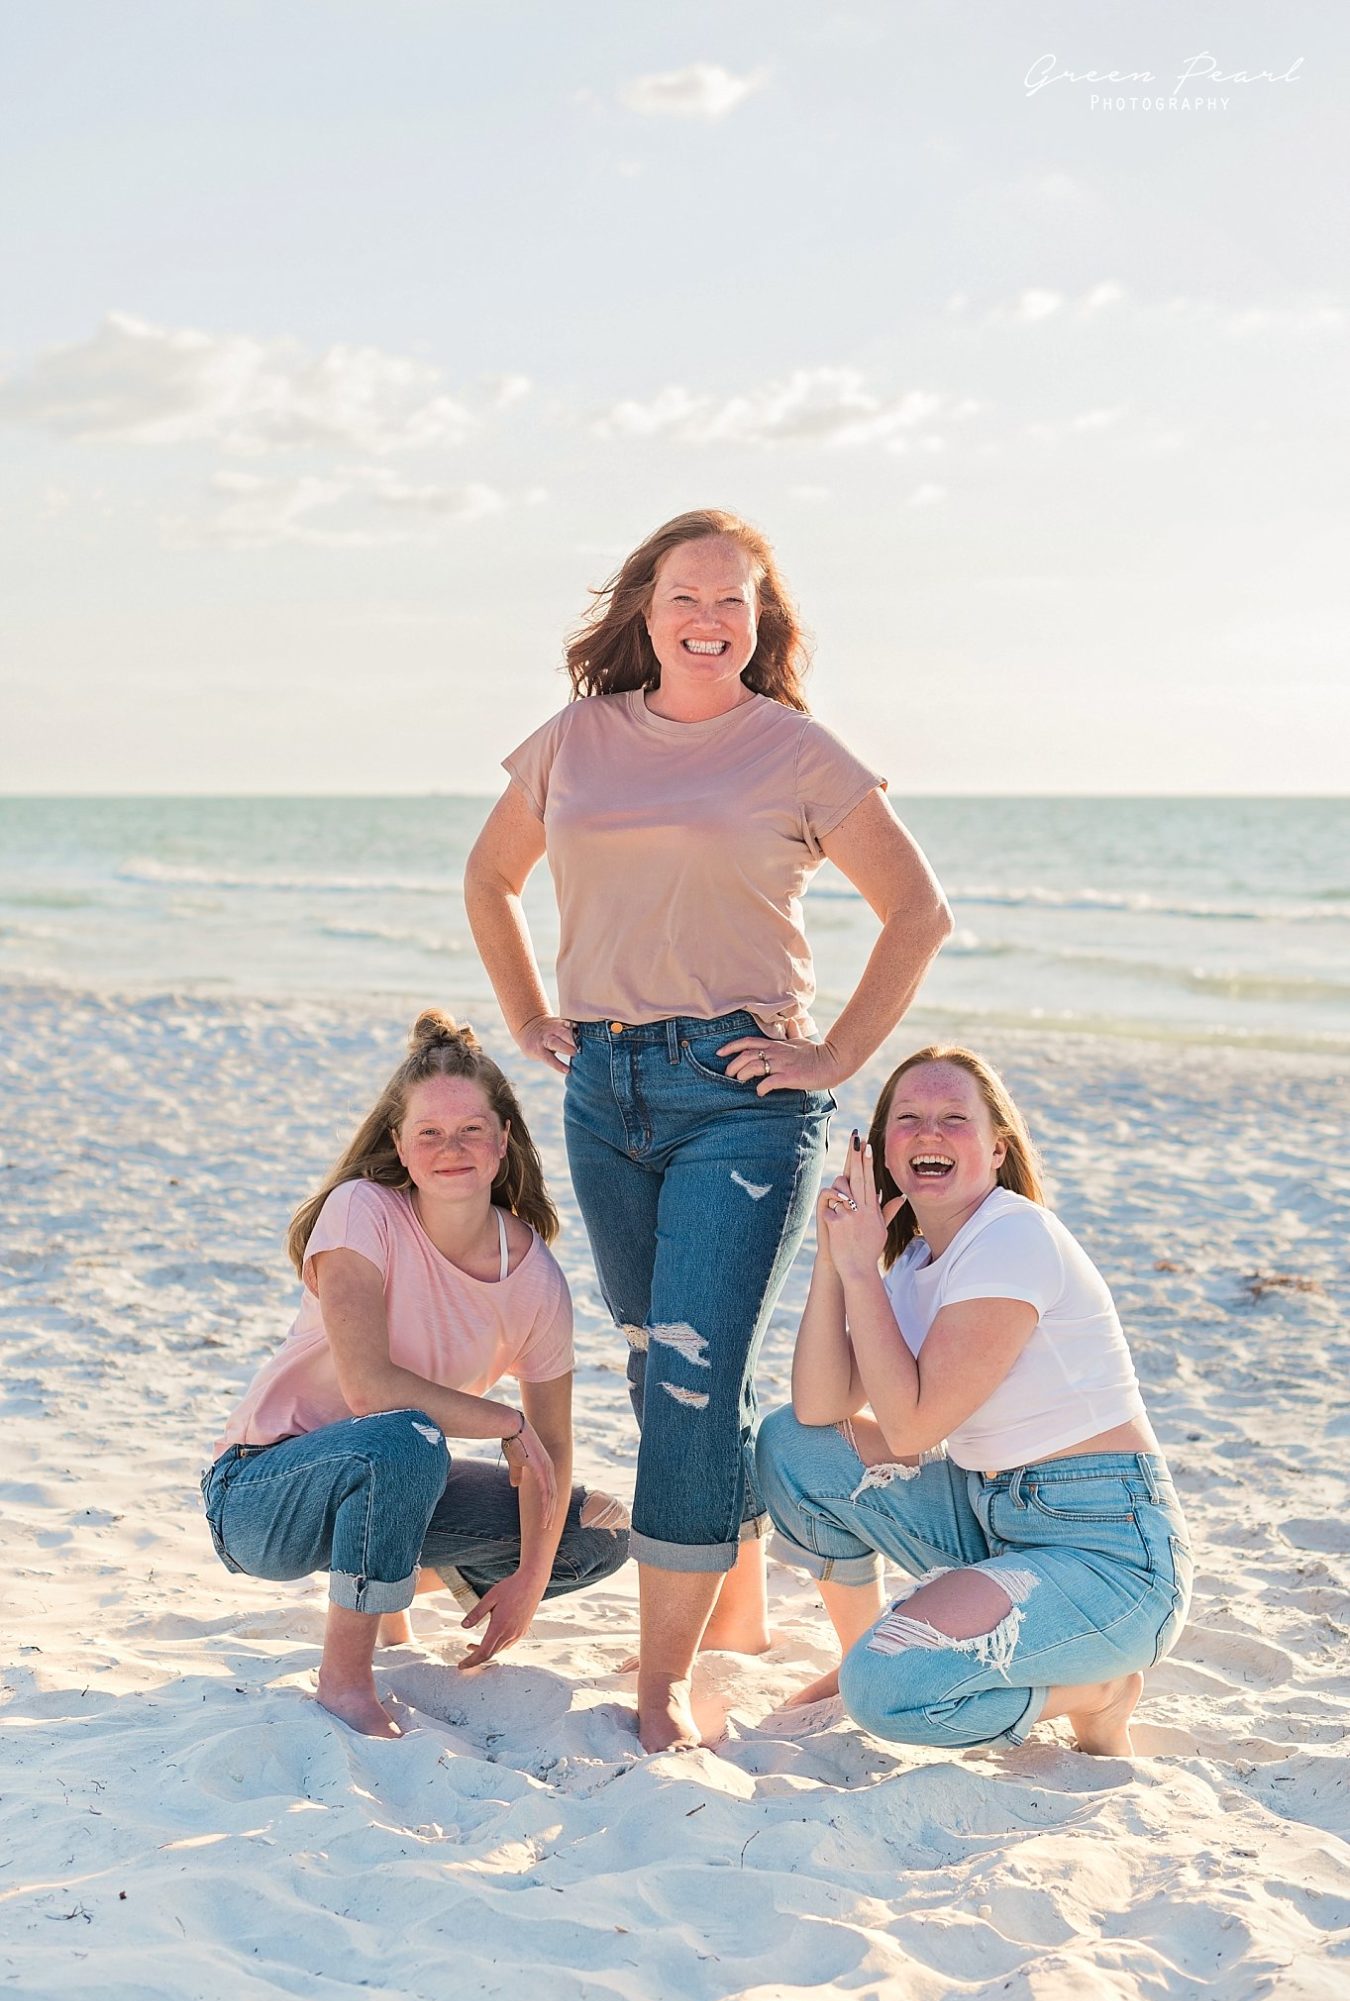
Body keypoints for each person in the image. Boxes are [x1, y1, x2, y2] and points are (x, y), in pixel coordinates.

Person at [465, 507, 952, 1751]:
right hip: (601, 1088)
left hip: (740, 1096)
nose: (709, 620)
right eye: (688, 596)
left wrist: (835, 1056)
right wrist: (528, 1012)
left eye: (735, 601)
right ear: (645, 610)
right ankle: (732, 1604)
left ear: (759, 623)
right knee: (658, 1364)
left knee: (689, 1379)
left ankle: (663, 1678)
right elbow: (490, 877)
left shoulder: (794, 750)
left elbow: (917, 913)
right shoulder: (576, 737)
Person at [200, 1011, 629, 1738]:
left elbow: (550, 1450)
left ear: (502, 1141)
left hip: (400, 1473)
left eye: (470, 1130)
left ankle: (390, 1578)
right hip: (262, 1494)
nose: (449, 1148)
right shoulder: (361, 1211)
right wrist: (504, 1422)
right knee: (404, 1437)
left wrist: (528, 1579)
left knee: (596, 1532)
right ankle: (344, 1682)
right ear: (399, 1145)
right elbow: (370, 1389)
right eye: (428, 1132)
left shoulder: (536, 1281)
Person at [755, 1044, 1192, 1757]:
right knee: (791, 1446)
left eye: (954, 1118)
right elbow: (815, 1409)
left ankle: (1099, 1690)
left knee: (888, 1692)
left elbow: (912, 1426)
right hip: (992, 1516)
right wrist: (835, 1260)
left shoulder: (1013, 1236)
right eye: (909, 1119)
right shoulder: (914, 1266)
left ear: (997, 1149)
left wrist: (863, 1271)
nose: (929, 1132)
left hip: (1108, 1553)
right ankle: (861, 1648)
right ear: (884, 1152)